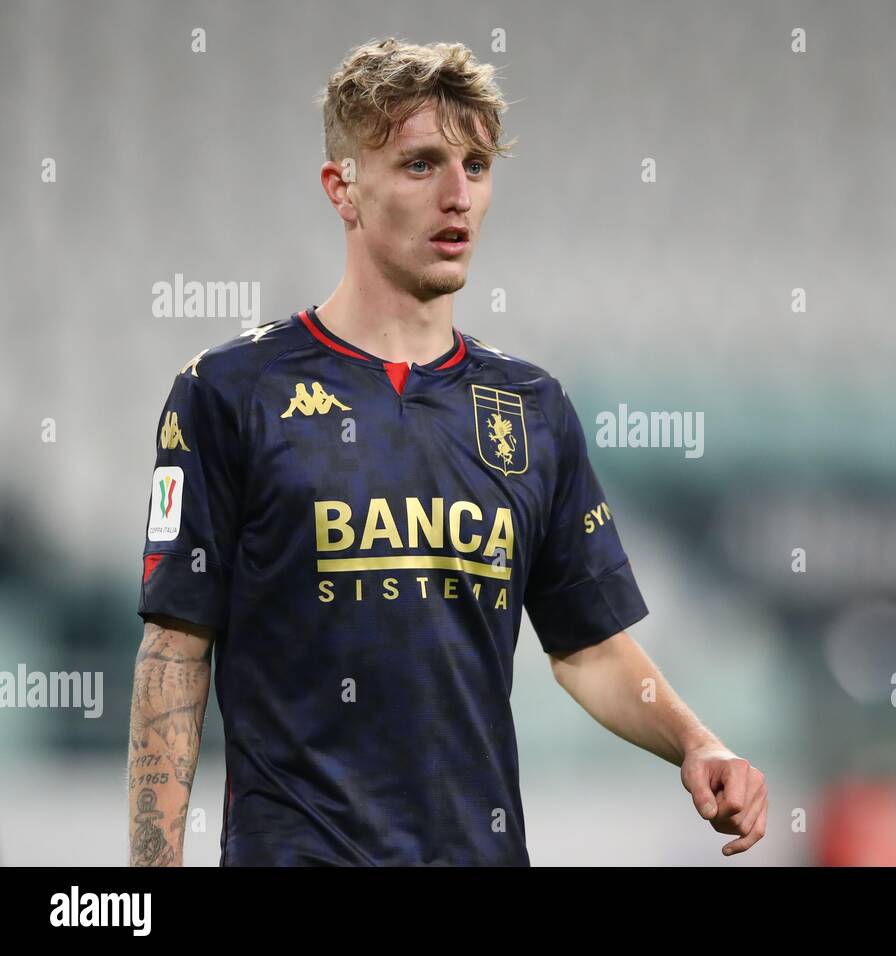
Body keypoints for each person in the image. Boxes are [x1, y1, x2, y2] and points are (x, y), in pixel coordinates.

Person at [128, 36, 766, 866]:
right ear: (343, 189)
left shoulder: (530, 408)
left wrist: (696, 743)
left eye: (477, 164)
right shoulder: (229, 391)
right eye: (422, 164)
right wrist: (149, 873)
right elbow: (176, 650)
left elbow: (588, 646)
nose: (458, 196)